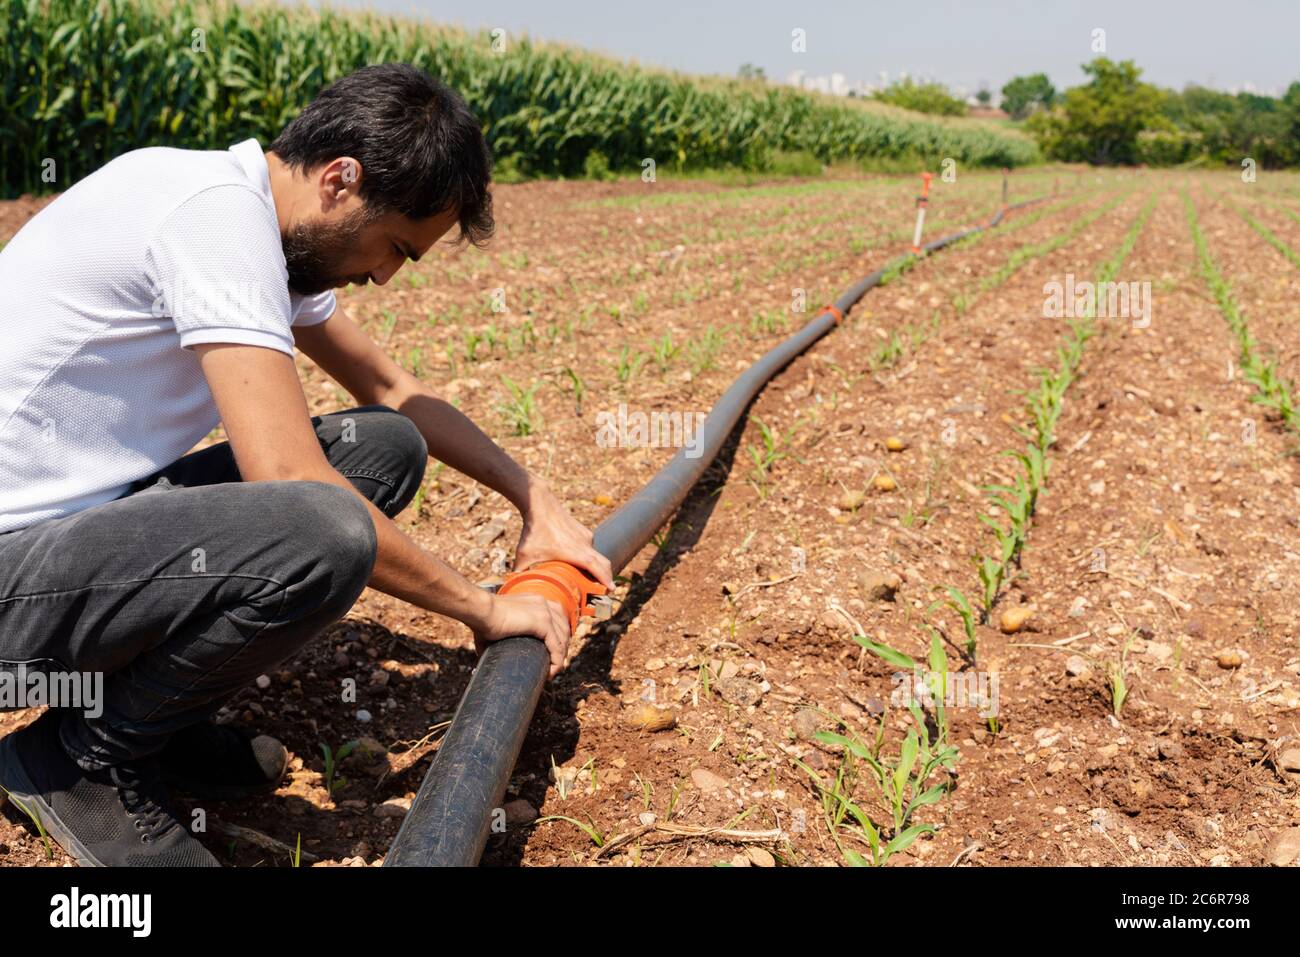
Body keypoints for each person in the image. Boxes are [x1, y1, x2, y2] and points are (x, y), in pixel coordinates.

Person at [0, 63, 612, 867]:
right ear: (340, 180)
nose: (387, 275)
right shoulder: (213, 220)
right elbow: (288, 474)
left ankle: (152, 719)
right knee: (321, 524)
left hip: (61, 542)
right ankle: (80, 759)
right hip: (14, 575)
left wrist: (535, 497)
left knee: (382, 447)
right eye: (395, 246)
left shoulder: (253, 219)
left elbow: (394, 392)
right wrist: (484, 609)